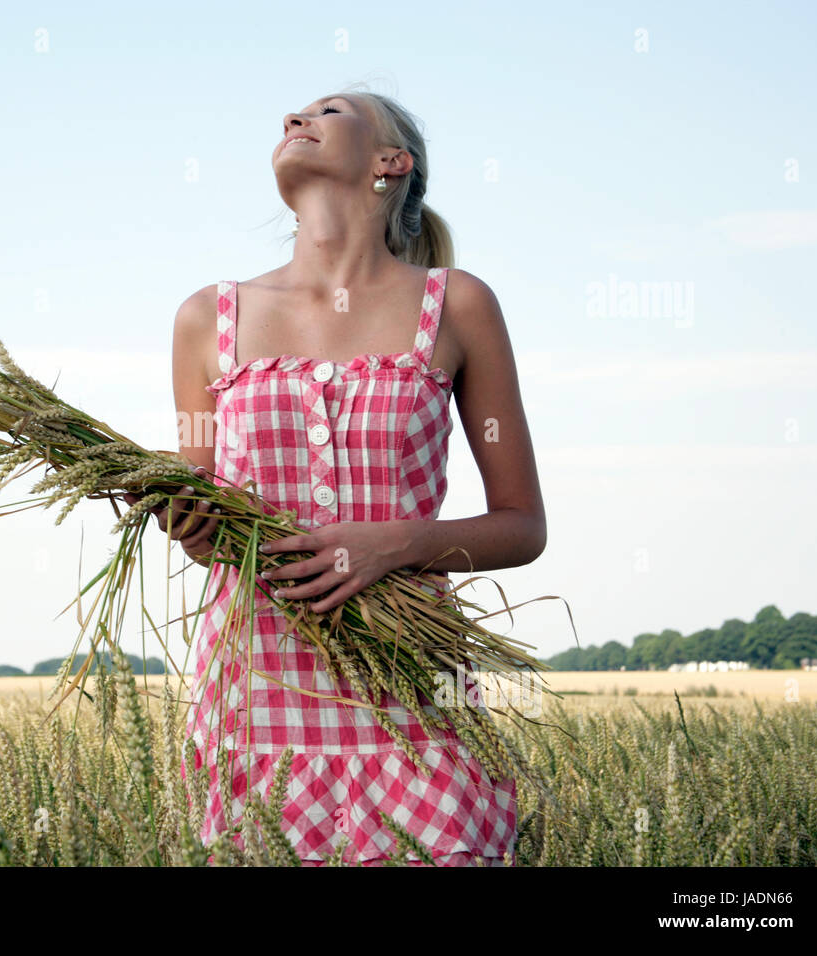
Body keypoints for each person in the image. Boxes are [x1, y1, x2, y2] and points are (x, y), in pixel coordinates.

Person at [127, 86, 546, 866]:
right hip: (256, 690)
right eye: (294, 114)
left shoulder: (456, 306)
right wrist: (186, 520)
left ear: (392, 162)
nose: (295, 119)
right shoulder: (204, 319)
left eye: (329, 111)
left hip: (414, 689)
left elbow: (523, 525)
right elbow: (209, 529)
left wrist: (401, 544)